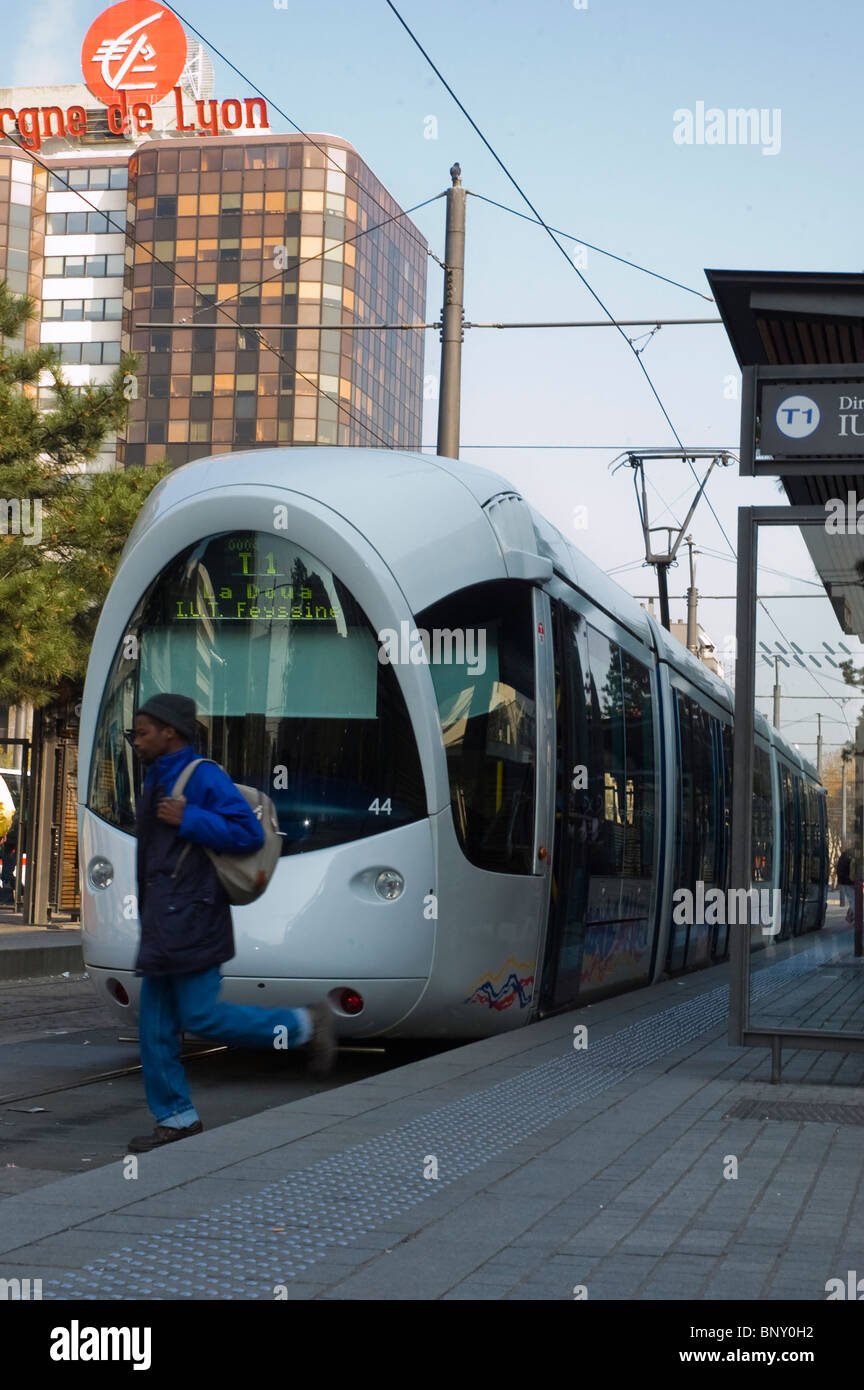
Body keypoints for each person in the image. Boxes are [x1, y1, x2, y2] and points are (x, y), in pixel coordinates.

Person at [127, 693, 336, 1154]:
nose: (135, 741)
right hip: (165, 925)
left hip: (196, 920)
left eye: (142, 733)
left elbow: (247, 833)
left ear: (171, 732)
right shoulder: (154, 779)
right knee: (155, 1029)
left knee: (201, 1015)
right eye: (133, 733)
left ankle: (302, 1025)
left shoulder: (202, 776)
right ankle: (176, 1119)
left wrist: (190, 818)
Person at [836, 846, 855, 924]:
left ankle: (850, 916)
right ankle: (851, 917)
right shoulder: (850, 858)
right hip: (847, 883)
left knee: (853, 900)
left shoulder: (845, 857)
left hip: (845, 882)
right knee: (854, 900)